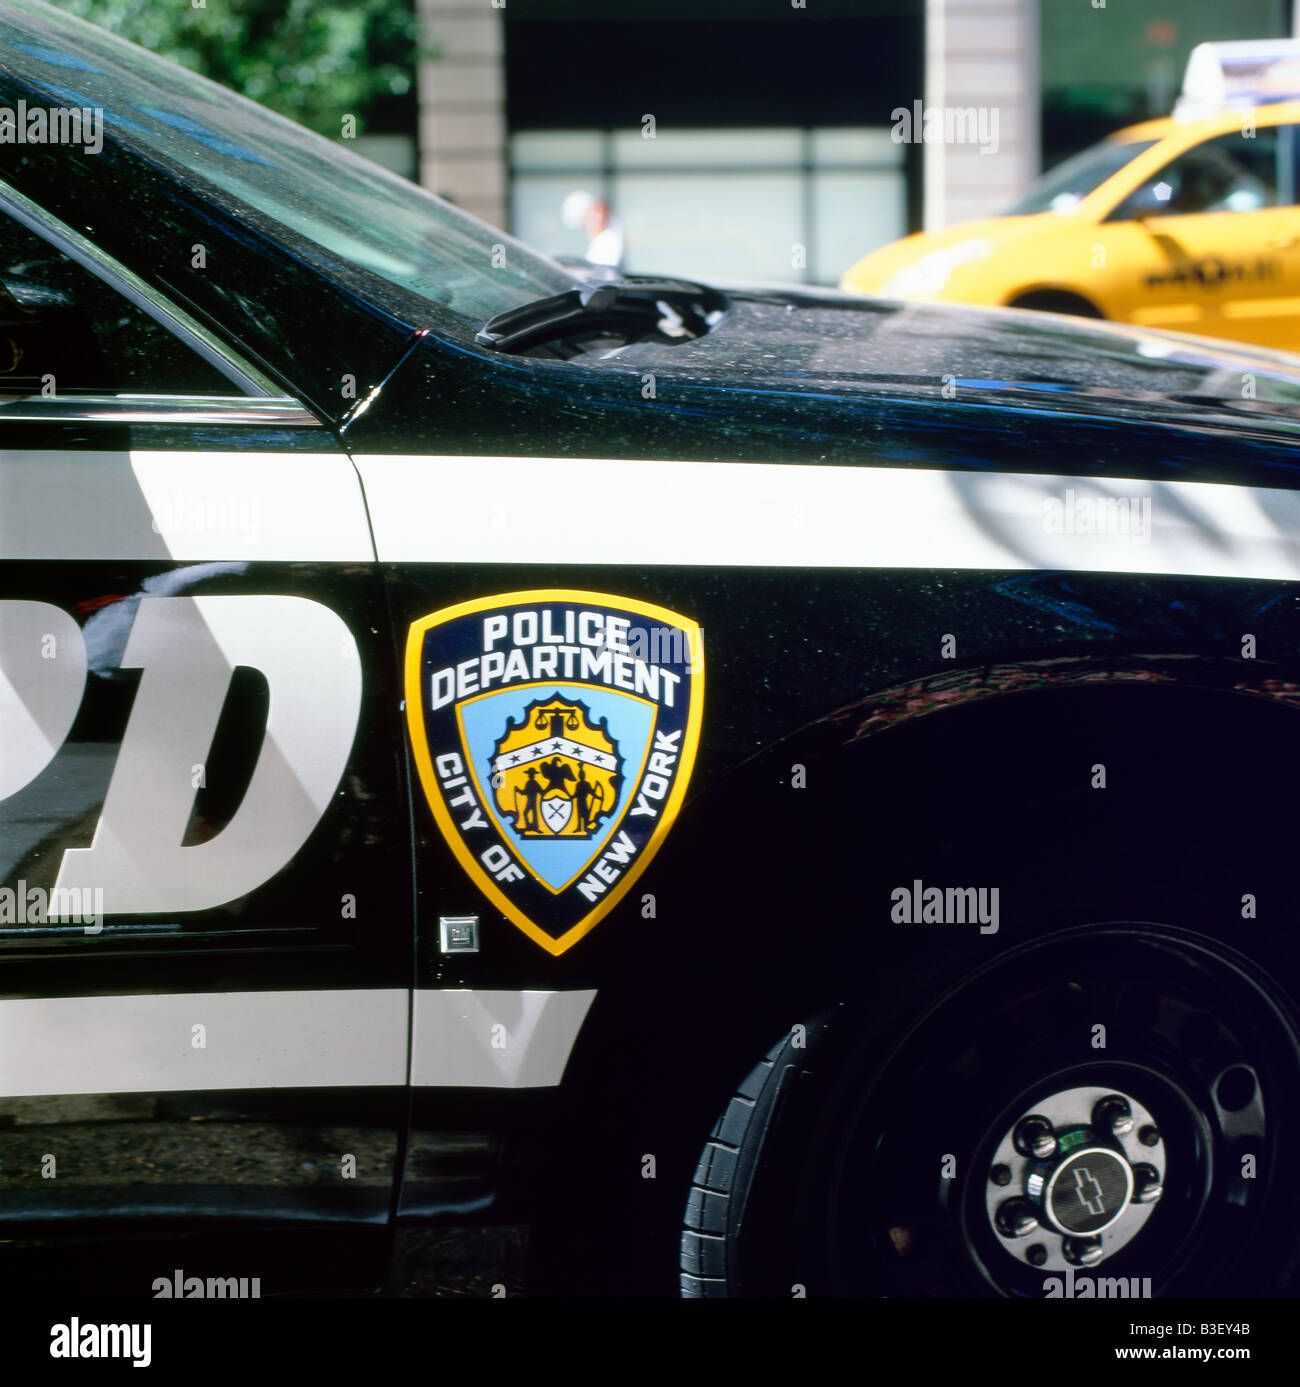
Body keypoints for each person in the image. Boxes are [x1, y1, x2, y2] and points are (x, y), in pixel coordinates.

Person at [562, 189, 624, 270]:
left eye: (597, 211)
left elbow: (603, 275)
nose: (599, 217)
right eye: (590, 213)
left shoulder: (609, 241)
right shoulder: (600, 241)